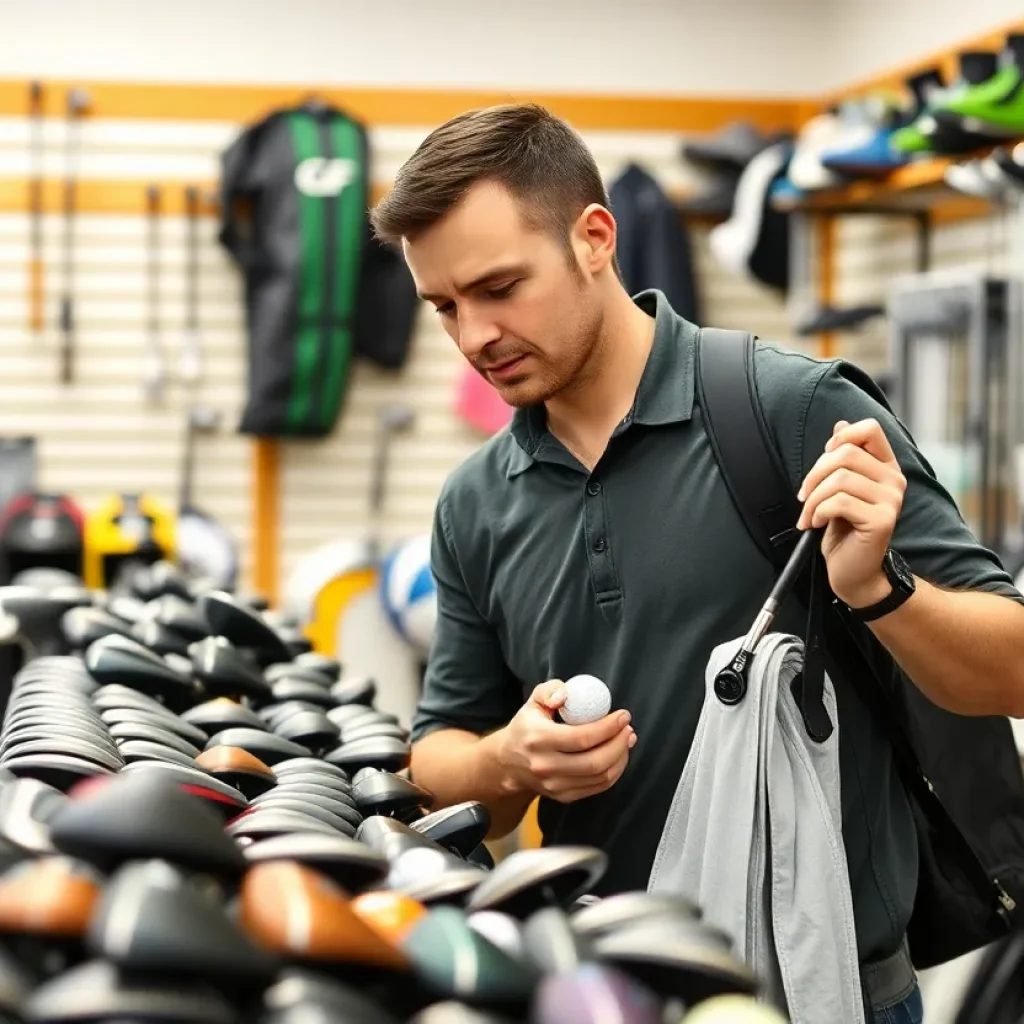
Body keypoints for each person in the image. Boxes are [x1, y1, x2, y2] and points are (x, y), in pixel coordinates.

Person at [369, 103, 1024, 1023]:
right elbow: (440, 752)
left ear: (594, 237)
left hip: (827, 994)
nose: (474, 336)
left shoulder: (794, 411)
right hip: (601, 991)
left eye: (500, 287)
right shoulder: (475, 502)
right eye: (445, 306)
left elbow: (1014, 667)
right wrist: (511, 759)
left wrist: (880, 591)